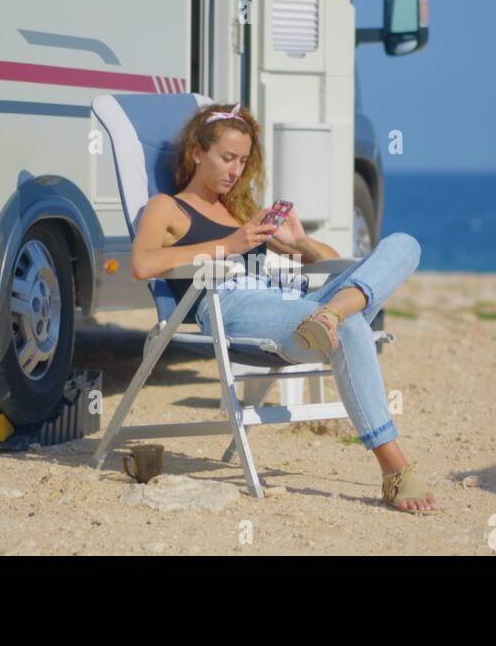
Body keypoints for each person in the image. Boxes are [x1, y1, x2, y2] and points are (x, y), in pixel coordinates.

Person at [129, 102, 441, 514]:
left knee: (404, 244)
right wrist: (231, 246)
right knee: (349, 329)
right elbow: (142, 264)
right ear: (197, 153)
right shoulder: (167, 207)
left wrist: (299, 244)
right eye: (226, 158)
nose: (235, 170)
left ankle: (332, 312)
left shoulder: (240, 212)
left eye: (242, 161)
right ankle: (395, 467)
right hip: (227, 307)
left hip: (291, 305)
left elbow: (337, 264)